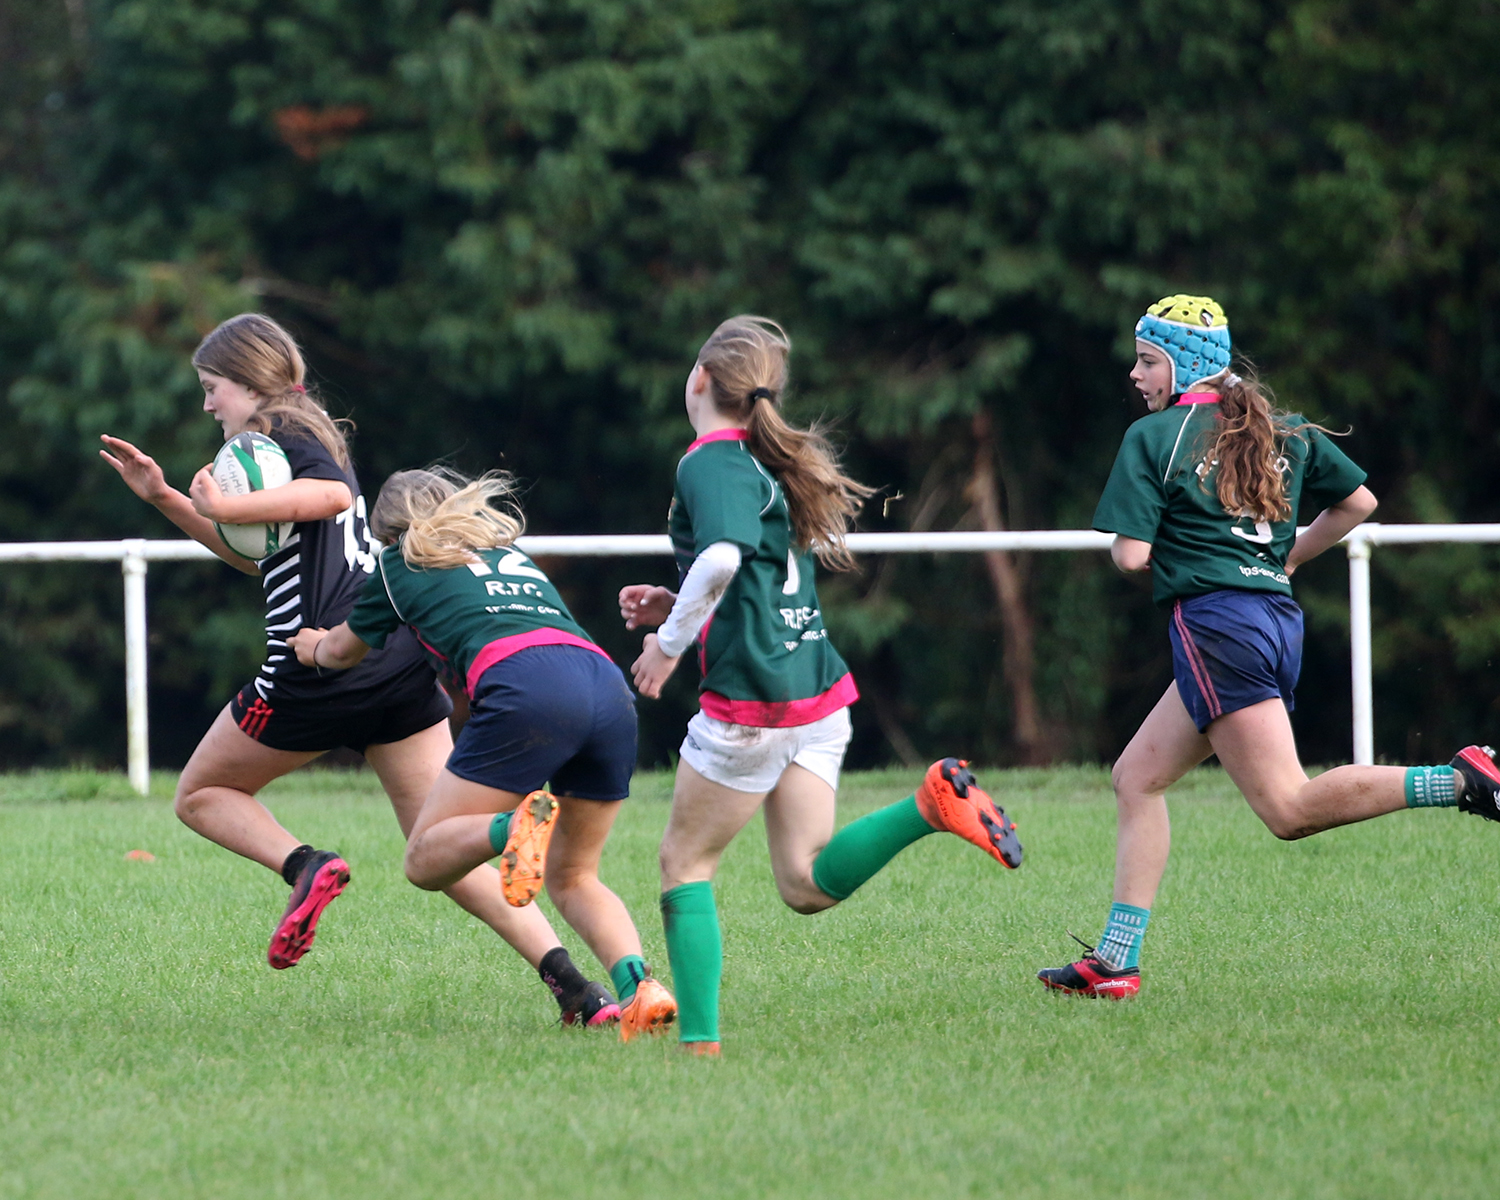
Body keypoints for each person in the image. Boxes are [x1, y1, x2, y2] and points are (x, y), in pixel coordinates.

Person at [100, 314, 617, 1026]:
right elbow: (255, 553)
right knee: (437, 849)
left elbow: (333, 499)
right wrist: (165, 497)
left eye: (212, 388)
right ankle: (577, 989)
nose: (207, 404)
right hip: (392, 665)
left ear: (250, 382)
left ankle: (305, 865)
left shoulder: (284, 433)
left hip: (318, 663)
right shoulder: (292, 441)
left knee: (202, 793)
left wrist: (224, 501)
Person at [1037, 294, 1500, 999]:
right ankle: (1114, 962)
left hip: (1218, 628)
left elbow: (1130, 557)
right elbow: (1360, 504)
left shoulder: (1156, 440)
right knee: (1137, 776)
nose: (1135, 375)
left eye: (1147, 360)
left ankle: (1462, 779)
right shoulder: (1276, 429)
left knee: (1288, 809)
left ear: (1184, 366)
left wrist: (1189, 551)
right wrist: (1289, 558)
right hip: (1271, 620)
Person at [620, 315, 1024, 1056]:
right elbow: (747, 576)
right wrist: (676, 605)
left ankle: (699, 1048)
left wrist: (667, 644)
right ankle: (930, 803)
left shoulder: (709, 460)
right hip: (816, 691)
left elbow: (720, 563)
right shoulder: (770, 457)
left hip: (755, 705)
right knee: (804, 885)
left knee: (685, 863)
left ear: (700, 381)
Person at [288, 467, 678, 1041]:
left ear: (387, 533)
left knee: (423, 860)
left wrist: (313, 647)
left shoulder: (399, 565)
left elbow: (346, 651)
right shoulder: (506, 550)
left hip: (526, 686)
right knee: (574, 875)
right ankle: (641, 989)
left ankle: (511, 827)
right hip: (604, 686)